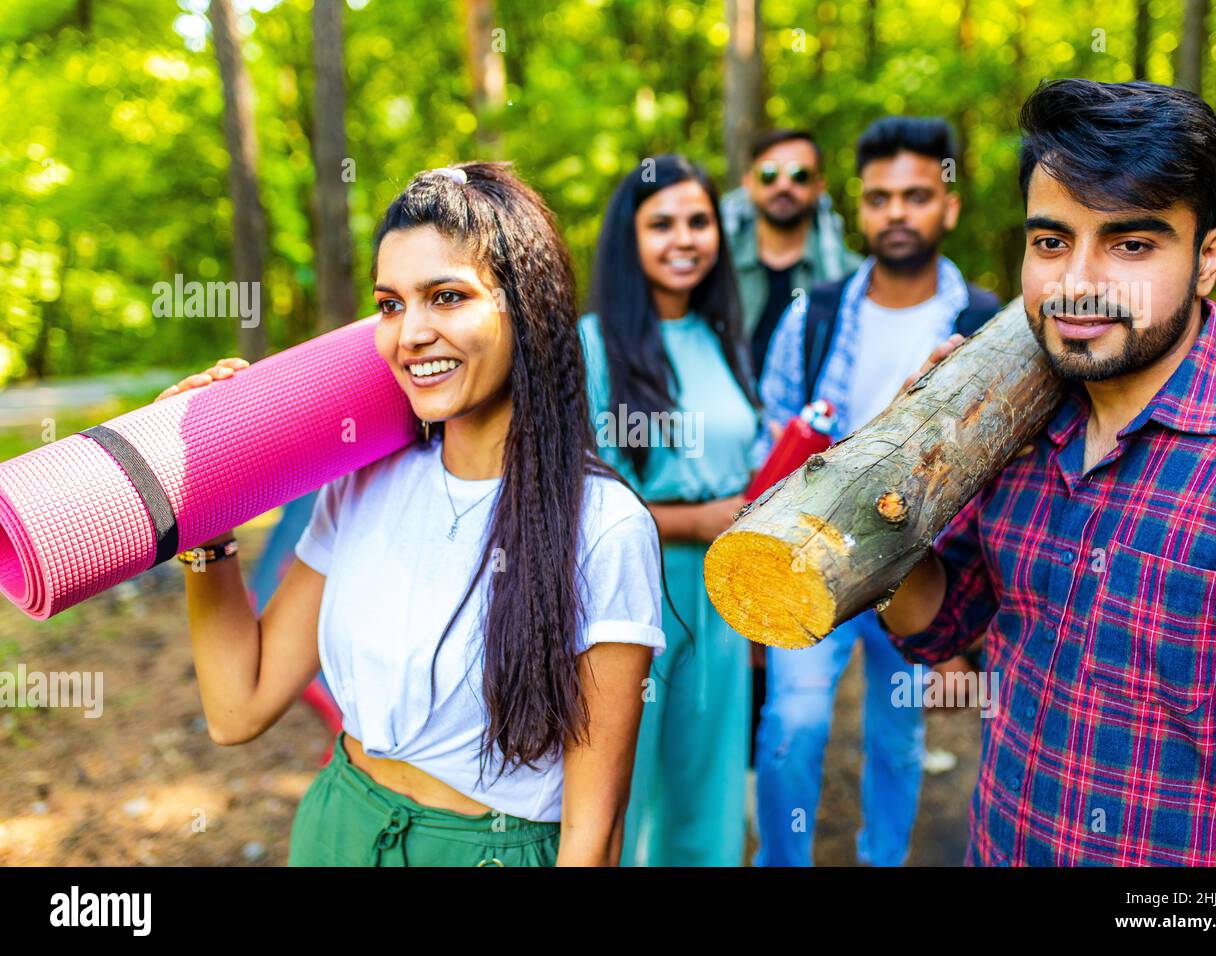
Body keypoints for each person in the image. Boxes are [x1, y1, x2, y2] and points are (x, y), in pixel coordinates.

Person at [160, 163, 667, 867]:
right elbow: (236, 709)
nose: (411, 334)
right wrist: (205, 516)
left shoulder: (606, 527)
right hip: (337, 827)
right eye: (391, 304)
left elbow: (593, 832)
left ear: (527, 308)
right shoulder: (362, 482)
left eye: (447, 297)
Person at [882, 79, 1216, 867]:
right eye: (1050, 242)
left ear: (1208, 254)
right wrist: (909, 472)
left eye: (1131, 245)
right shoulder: (1012, 425)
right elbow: (935, 623)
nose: (1077, 281)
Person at [751, 117, 1001, 867]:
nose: (898, 212)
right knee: (792, 725)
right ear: (860, 208)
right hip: (813, 557)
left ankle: (884, 858)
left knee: (900, 735)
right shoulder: (814, 313)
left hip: (919, 570)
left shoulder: (984, 324)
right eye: (882, 196)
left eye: (917, 195)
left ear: (948, 206)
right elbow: (776, 427)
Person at [578, 154, 763, 866]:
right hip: (628, 596)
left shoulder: (724, 340)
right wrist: (698, 520)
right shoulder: (596, 346)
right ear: (630, 240)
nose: (683, 238)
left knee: (707, 784)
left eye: (697, 221)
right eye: (661, 225)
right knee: (622, 786)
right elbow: (579, 504)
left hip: (720, 600)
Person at [720, 129, 862, 381]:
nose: (784, 185)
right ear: (748, 183)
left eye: (799, 175)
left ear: (819, 187)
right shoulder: (715, 266)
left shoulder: (850, 276)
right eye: (769, 174)